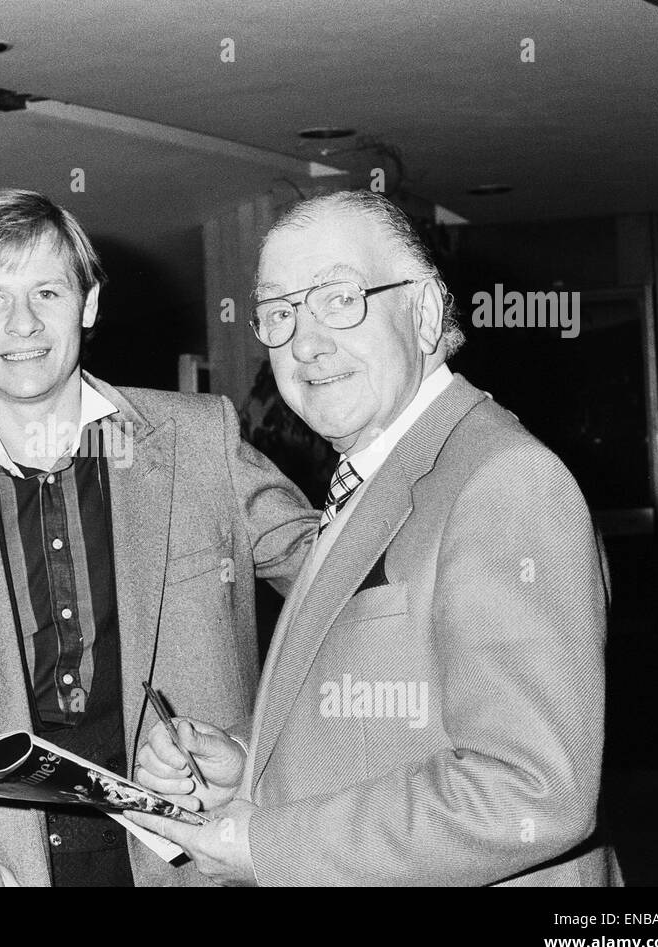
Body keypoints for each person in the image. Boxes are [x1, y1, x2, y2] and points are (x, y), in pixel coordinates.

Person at [130, 189, 620, 886]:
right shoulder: (385, 470)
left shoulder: (503, 480)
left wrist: (269, 842)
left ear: (422, 314)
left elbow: (532, 793)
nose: (304, 341)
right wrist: (251, 767)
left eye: (337, 298)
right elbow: (395, 721)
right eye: (278, 313)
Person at [0, 189, 318, 886]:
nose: (23, 323)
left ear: (87, 304)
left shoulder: (197, 440)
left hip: (193, 865)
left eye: (47, 291)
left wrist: (258, 753)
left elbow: (346, 591)